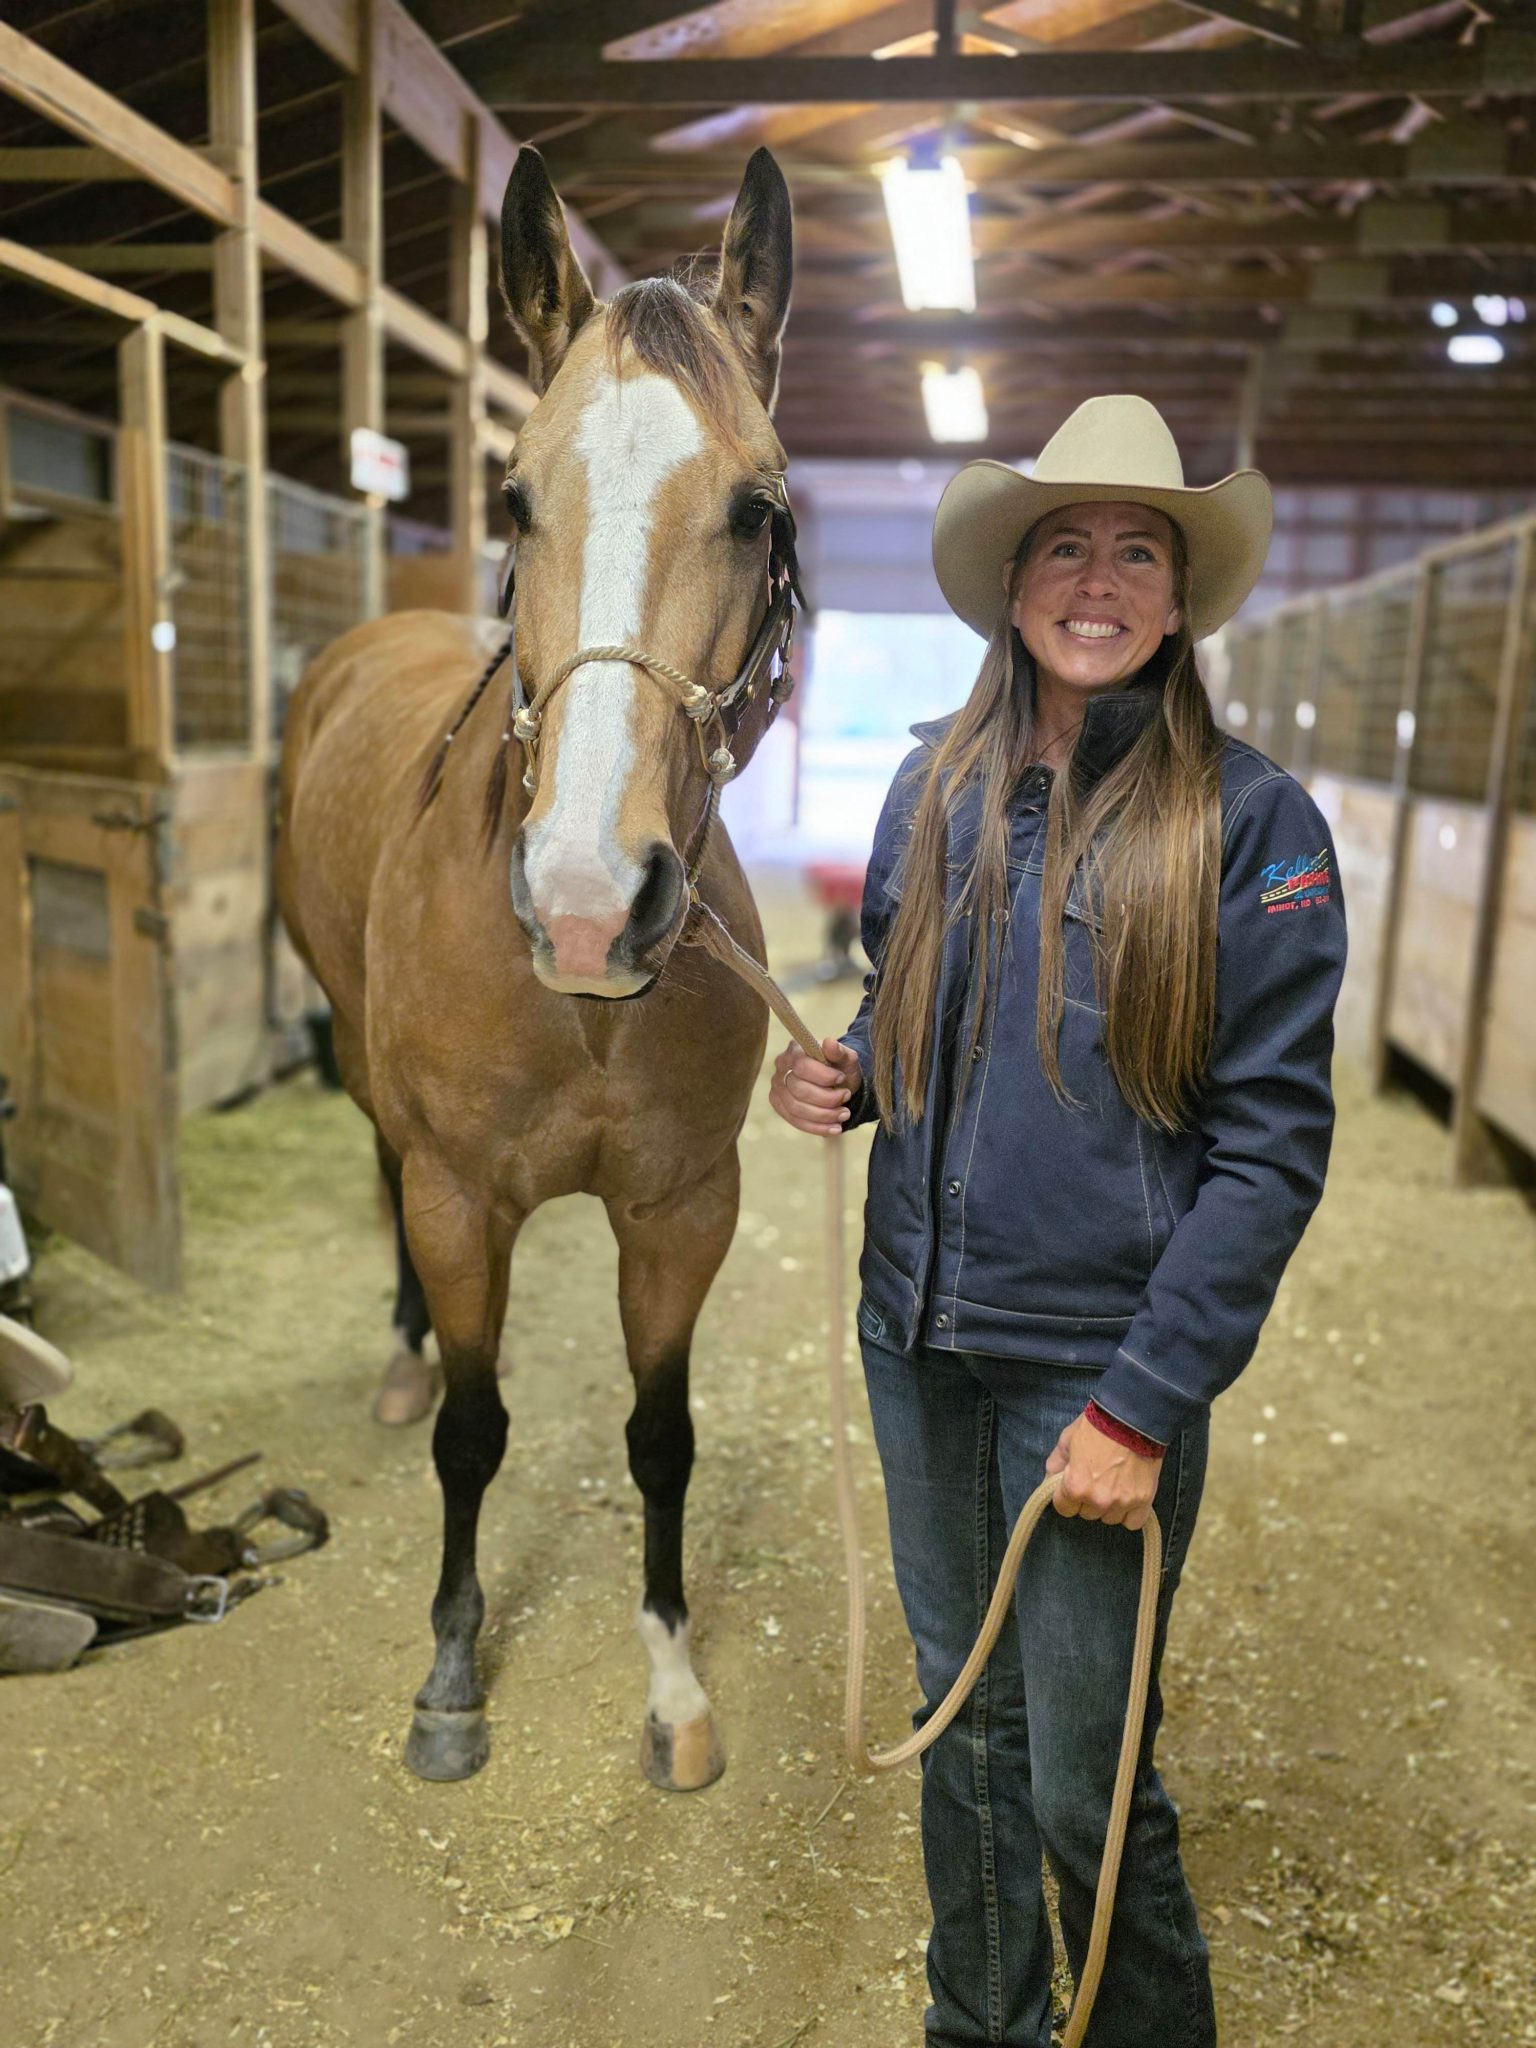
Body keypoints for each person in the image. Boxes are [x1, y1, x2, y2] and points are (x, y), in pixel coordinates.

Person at [769, 395, 1346, 2048]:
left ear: (1177, 598)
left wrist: (1143, 1403)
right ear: (1017, 583)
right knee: (965, 1737)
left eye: (1138, 551)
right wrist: (857, 1075)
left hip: (1093, 1381)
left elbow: (1270, 1154)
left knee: (1089, 1785)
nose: (1099, 580)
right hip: (919, 1340)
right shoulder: (932, 785)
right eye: (1069, 547)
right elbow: (911, 995)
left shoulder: (1254, 828)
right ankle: (982, 2026)